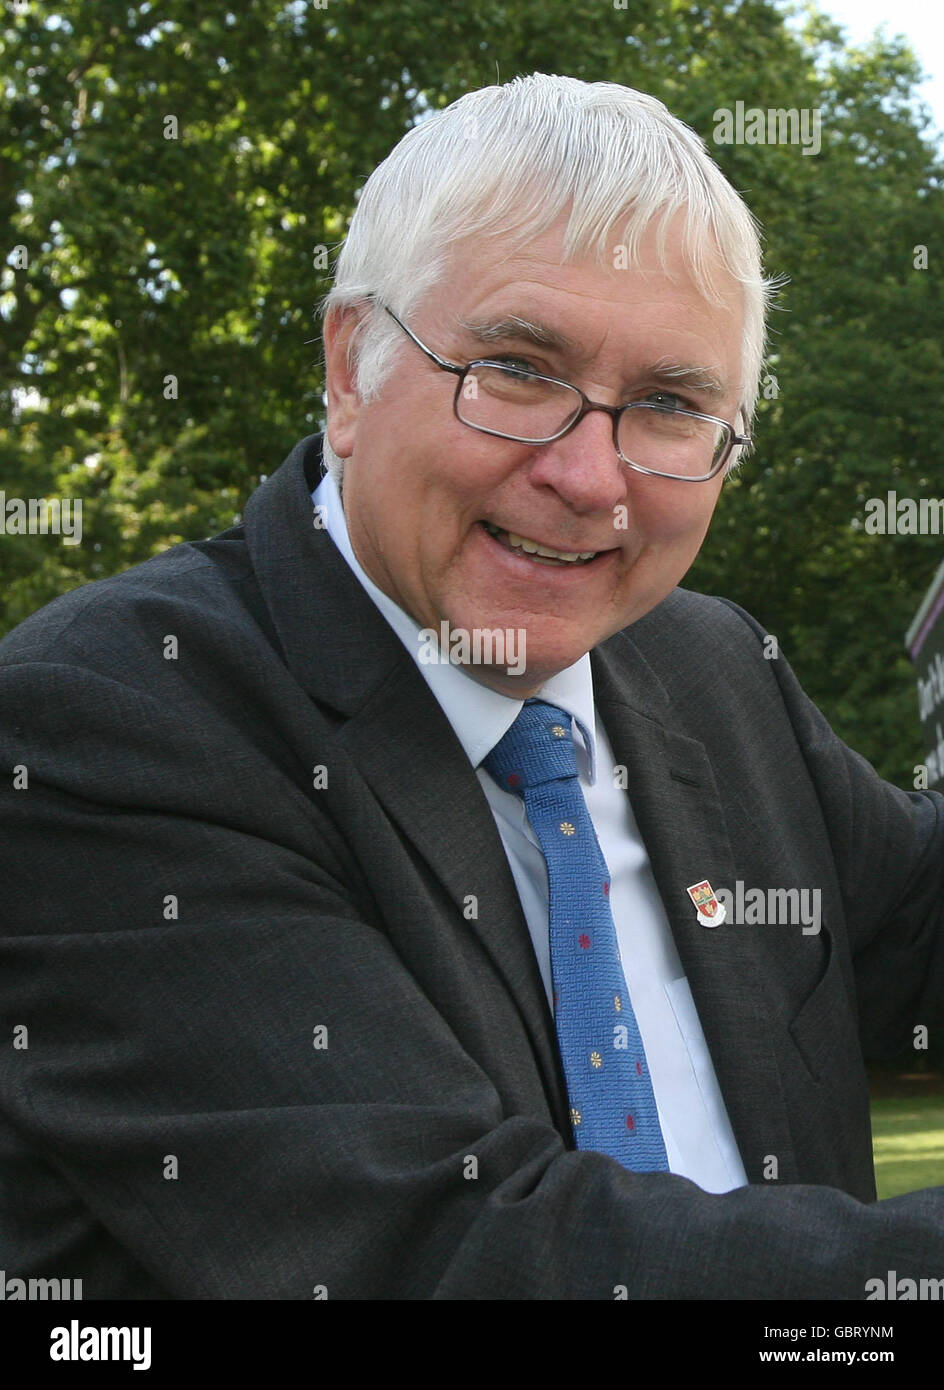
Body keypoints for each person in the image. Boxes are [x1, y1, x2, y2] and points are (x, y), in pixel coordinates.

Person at [1, 72, 943, 1301]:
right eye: (516, 368)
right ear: (351, 370)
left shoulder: (712, 670)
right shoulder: (107, 721)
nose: (590, 476)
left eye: (668, 403)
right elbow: (460, 1256)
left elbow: (915, 931)